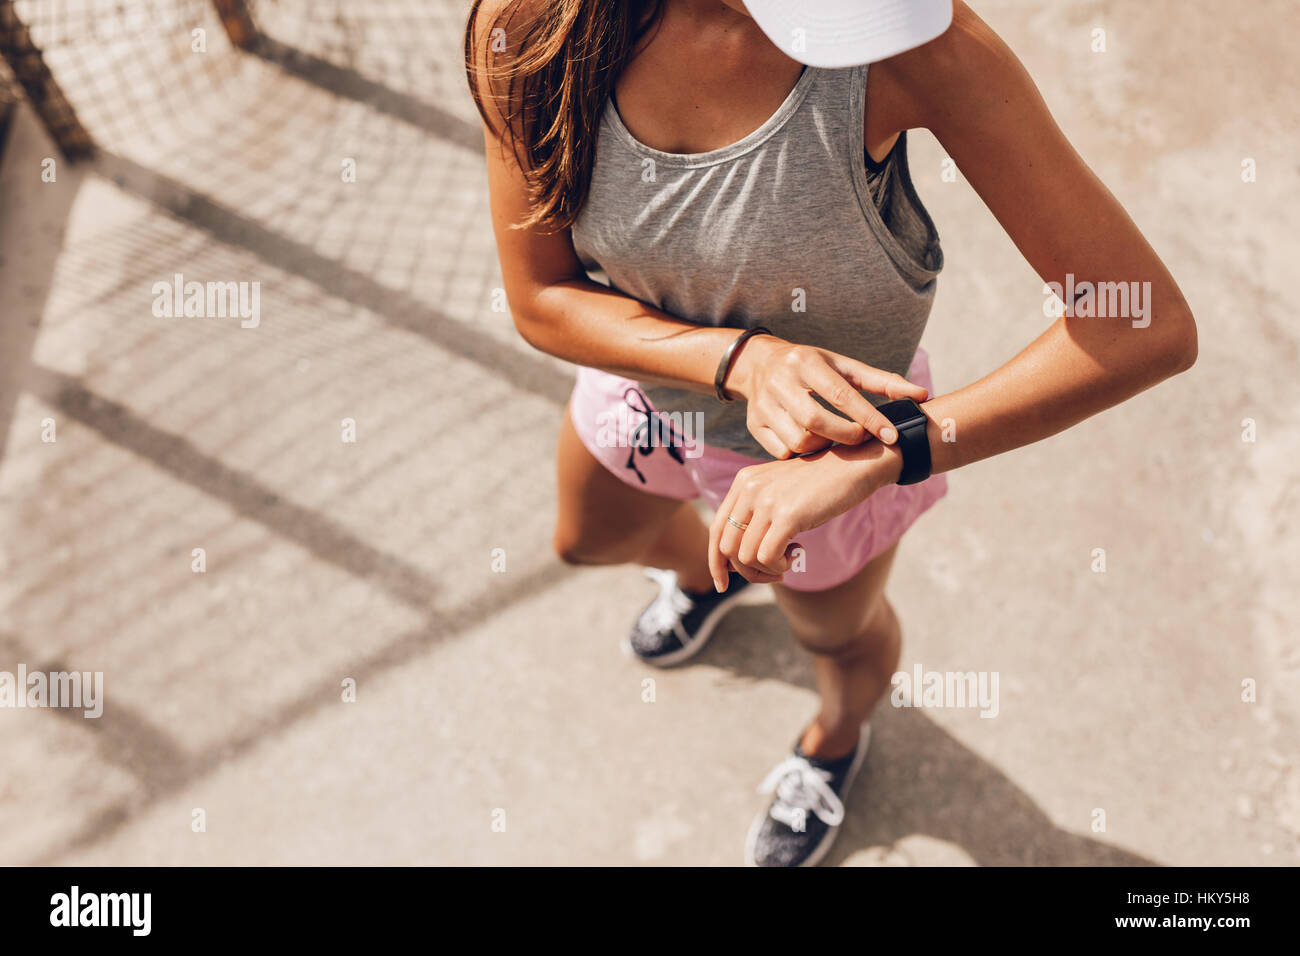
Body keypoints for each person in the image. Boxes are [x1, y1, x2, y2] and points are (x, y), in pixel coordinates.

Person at [465, 0, 1197, 866]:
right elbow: (540, 296)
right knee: (588, 542)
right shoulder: (531, 24)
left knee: (836, 640)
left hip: (834, 460)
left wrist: (894, 451)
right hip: (646, 393)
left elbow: (1141, 322)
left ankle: (834, 740)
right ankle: (712, 572)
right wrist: (743, 362)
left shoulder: (916, 40)